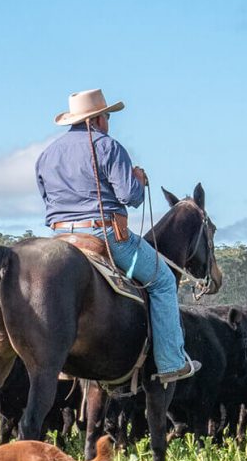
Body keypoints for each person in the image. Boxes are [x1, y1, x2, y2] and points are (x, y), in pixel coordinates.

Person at [36, 89, 200, 384]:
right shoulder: (108, 147)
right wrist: (137, 180)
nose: (108, 122)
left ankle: (59, 359)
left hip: (59, 237)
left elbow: (46, 197)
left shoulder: (48, 154)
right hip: (103, 234)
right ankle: (171, 362)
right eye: (107, 116)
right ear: (97, 119)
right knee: (163, 281)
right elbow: (130, 196)